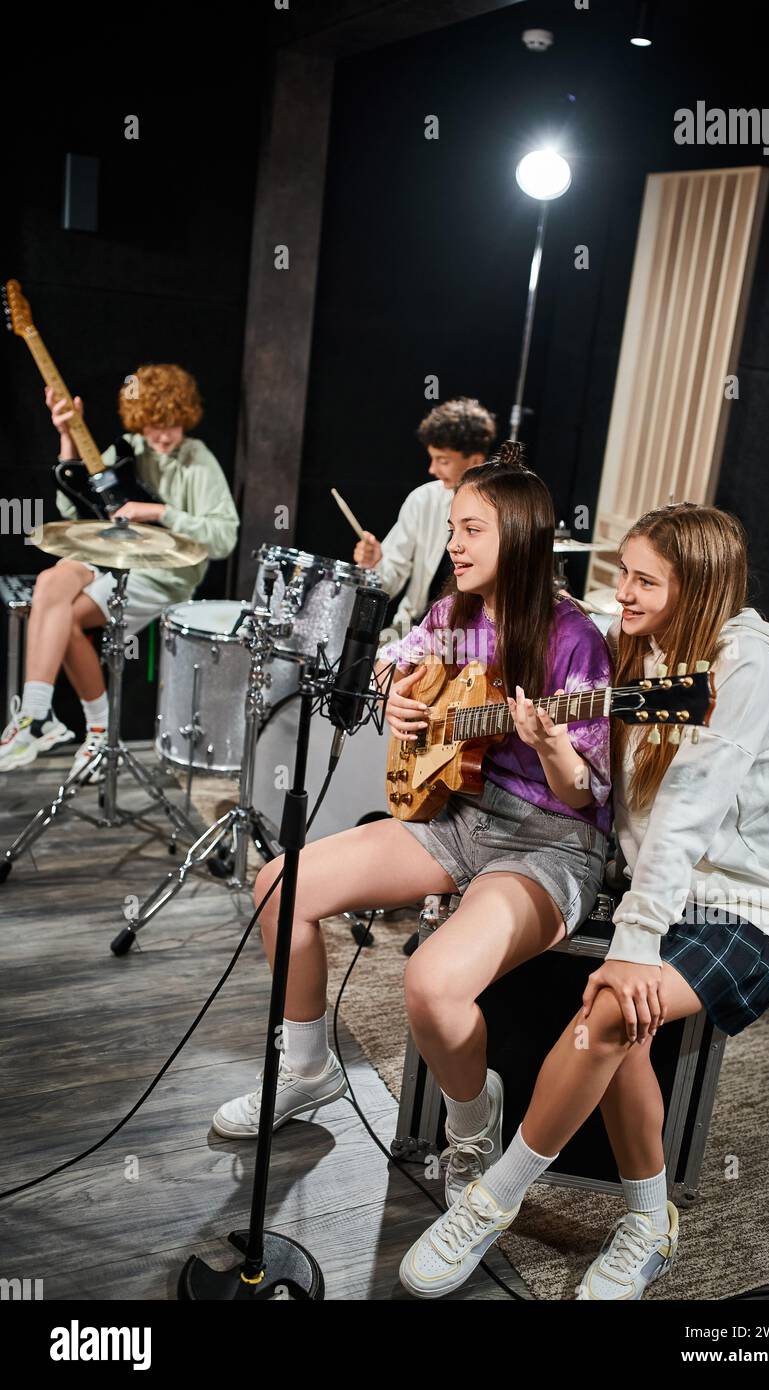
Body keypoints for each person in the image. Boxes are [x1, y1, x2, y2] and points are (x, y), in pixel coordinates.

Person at [398, 502, 769, 1301]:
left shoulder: (745, 670)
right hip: (662, 888)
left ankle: (493, 1199)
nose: (621, 592)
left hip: (751, 903)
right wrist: (417, 676)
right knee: (627, 1031)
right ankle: (649, 1220)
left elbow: (686, 816)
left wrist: (632, 943)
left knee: (606, 1012)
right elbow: (535, 621)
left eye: (643, 581)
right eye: (621, 572)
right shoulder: (638, 640)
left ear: (696, 590)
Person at [212, 448, 613, 1220]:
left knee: (429, 983)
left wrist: (552, 743)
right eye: (454, 528)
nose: (454, 545)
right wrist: (399, 693)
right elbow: (401, 659)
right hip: (455, 812)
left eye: (471, 530)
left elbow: (581, 791)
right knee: (279, 884)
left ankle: (472, 1127)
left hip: (549, 840)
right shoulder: (456, 615)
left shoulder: (573, 641)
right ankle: (306, 1069)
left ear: (523, 539)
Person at [0, 365, 239, 779]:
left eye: (172, 425)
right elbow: (74, 511)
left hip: (165, 575)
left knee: (67, 620)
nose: (163, 436)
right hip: (111, 559)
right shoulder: (127, 449)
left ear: (185, 418)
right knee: (50, 581)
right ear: (139, 420)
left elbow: (224, 537)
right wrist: (66, 438)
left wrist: (161, 512)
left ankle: (91, 729)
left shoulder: (198, 460)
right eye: (153, 426)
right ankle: (36, 716)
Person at [353, 397, 497, 639]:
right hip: (412, 630)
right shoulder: (423, 500)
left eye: (443, 461)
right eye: (432, 459)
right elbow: (386, 584)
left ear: (474, 460)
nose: (432, 469)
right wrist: (374, 564)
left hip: (472, 637)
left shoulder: (497, 510)